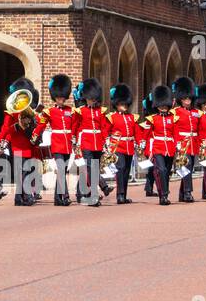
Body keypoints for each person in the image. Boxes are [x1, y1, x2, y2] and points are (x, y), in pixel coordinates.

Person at [0, 77, 40, 205]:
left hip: (28, 143)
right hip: (17, 143)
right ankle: (26, 196)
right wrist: (1, 141)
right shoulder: (11, 112)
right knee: (23, 171)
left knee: (25, 170)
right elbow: (6, 128)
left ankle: (19, 198)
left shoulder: (31, 111)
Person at [73, 77, 113, 206]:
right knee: (90, 169)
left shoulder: (100, 112)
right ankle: (93, 194)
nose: (92, 101)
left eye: (94, 98)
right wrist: (74, 140)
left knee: (92, 169)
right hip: (85, 142)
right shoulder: (80, 111)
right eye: (90, 98)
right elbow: (75, 126)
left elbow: (103, 127)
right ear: (85, 98)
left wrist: (107, 140)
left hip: (98, 143)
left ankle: (80, 194)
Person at [40, 75, 76, 207]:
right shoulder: (49, 111)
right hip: (57, 144)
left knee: (63, 171)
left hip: (67, 144)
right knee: (61, 170)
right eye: (58, 97)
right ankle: (65, 196)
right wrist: (35, 135)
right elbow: (41, 125)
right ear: (54, 97)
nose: (60, 99)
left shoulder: (70, 111)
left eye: (62, 97)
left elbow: (74, 125)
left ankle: (58, 199)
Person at [106, 83, 139, 204]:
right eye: (121, 103)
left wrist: (140, 143)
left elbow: (137, 132)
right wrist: (107, 144)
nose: (123, 106)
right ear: (116, 104)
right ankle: (119, 195)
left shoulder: (132, 117)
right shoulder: (112, 117)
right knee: (120, 169)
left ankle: (124, 195)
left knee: (126, 171)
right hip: (118, 147)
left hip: (129, 147)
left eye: (125, 103)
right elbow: (106, 131)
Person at [144, 85, 177, 205]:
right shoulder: (152, 119)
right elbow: (147, 136)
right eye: (161, 105)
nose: (163, 107)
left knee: (167, 172)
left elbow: (175, 134)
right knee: (161, 170)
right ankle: (162, 195)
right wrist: (147, 151)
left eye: (165, 104)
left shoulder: (173, 118)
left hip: (170, 147)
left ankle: (165, 194)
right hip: (157, 147)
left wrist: (178, 146)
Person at [171, 77, 200, 203]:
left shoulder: (196, 112)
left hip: (193, 142)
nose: (187, 101)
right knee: (186, 166)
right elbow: (174, 129)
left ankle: (182, 193)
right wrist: (177, 143)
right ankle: (188, 192)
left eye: (188, 98)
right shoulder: (175, 112)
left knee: (189, 167)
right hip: (182, 143)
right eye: (184, 98)